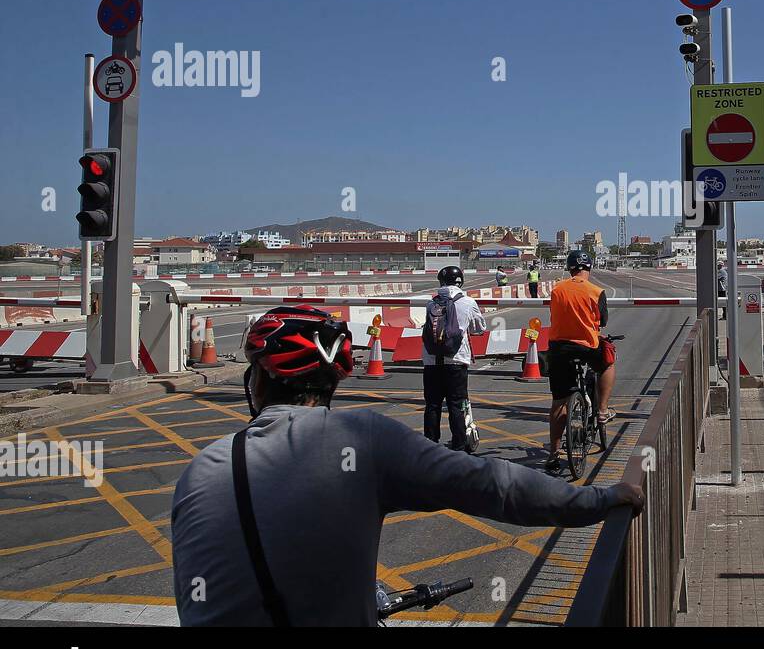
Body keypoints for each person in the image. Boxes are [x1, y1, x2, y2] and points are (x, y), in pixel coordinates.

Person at [170, 304, 644, 626]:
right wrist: (597, 500)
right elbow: (493, 485)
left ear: (258, 383)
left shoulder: (202, 469)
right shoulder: (361, 439)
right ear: (333, 383)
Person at [545, 250, 616, 474]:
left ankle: (554, 455)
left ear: (569, 268)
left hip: (559, 349)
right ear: (589, 268)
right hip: (586, 346)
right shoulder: (596, 291)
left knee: (559, 402)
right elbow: (602, 320)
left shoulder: (557, 289)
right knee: (607, 363)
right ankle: (602, 410)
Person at [422, 265, 487, 451]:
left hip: (431, 361)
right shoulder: (467, 302)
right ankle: (459, 446)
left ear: (441, 282)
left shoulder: (431, 303)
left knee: (432, 405)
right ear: (461, 282)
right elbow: (479, 329)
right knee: (456, 404)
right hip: (456, 361)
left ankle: (430, 445)